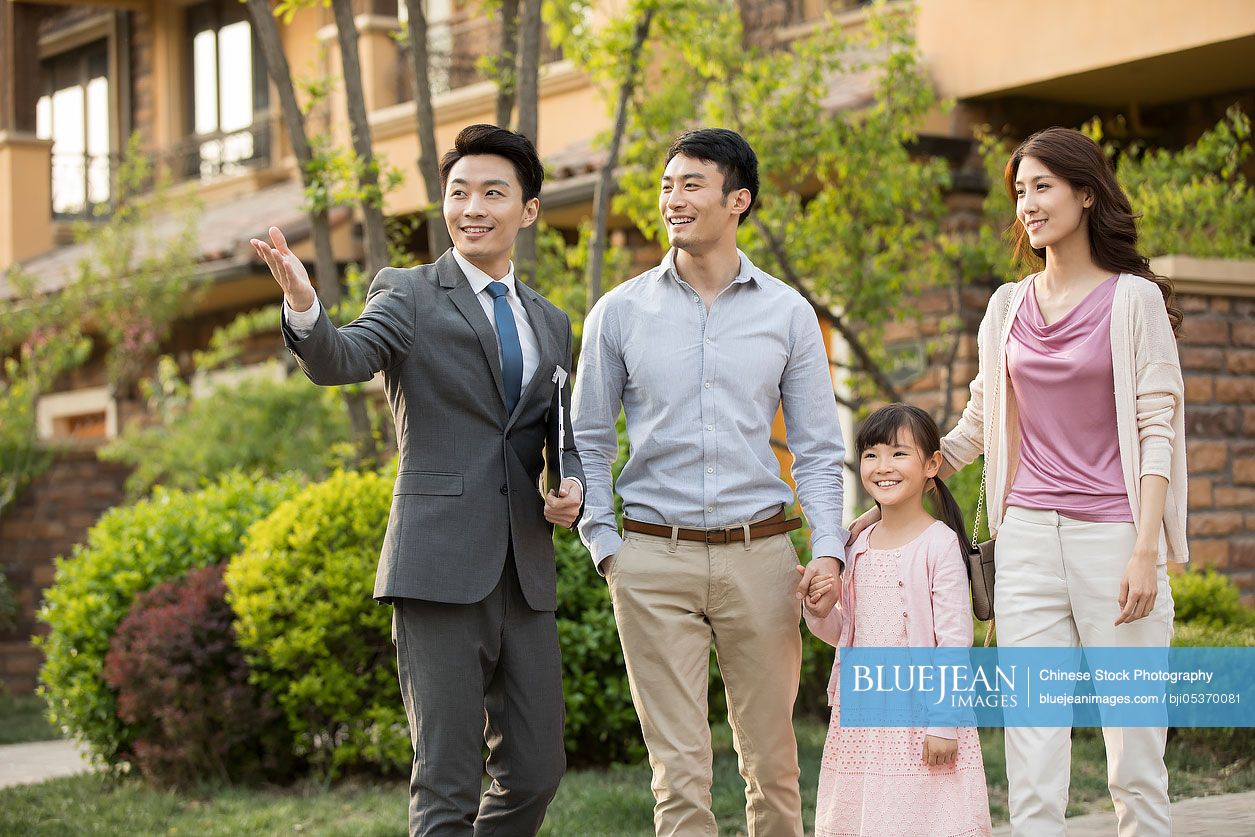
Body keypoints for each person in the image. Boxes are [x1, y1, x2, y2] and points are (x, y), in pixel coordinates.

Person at [249, 123, 585, 837]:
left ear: (527, 210)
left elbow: (558, 430)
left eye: (492, 193)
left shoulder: (551, 322)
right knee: (446, 780)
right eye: (458, 192)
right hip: (436, 567)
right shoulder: (407, 293)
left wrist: (571, 484)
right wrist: (305, 307)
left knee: (536, 769)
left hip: (524, 572)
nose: (472, 208)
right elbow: (342, 358)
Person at [851, 127, 1187, 835]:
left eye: (1042, 187)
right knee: (1032, 756)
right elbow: (980, 420)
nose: (1027, 204)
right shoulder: (1007, 306)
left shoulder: (1133, 301)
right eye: (1019, 191)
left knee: (1134, 753)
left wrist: (1144, 550)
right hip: (1026, 541)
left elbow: (1157, 427)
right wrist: (899, 482)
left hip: (1113, 536)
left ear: (1085, 194)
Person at [572, 127, 847, 837]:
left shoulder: (787, 312)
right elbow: (587, 440)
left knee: (773, 765)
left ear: (738, 200)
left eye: (692, 184)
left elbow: (818, 449)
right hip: (651, 560)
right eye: (667, 185)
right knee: (679, 775)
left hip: (761, 557)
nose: (674, 199)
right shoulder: (618, 312)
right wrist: (606, 547)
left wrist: (828, 549)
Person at [802, 403, 992, 837]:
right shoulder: (855, 545)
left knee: (926, 819)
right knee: (867, 818)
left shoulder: (939, 545)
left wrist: (944, 722)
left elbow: (954, 642)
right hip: (864, 716)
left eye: (898, 453)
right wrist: (817, 611)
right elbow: (848, 632)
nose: (883, 466)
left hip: (922, 716)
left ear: (932, 465)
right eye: (871, 454)